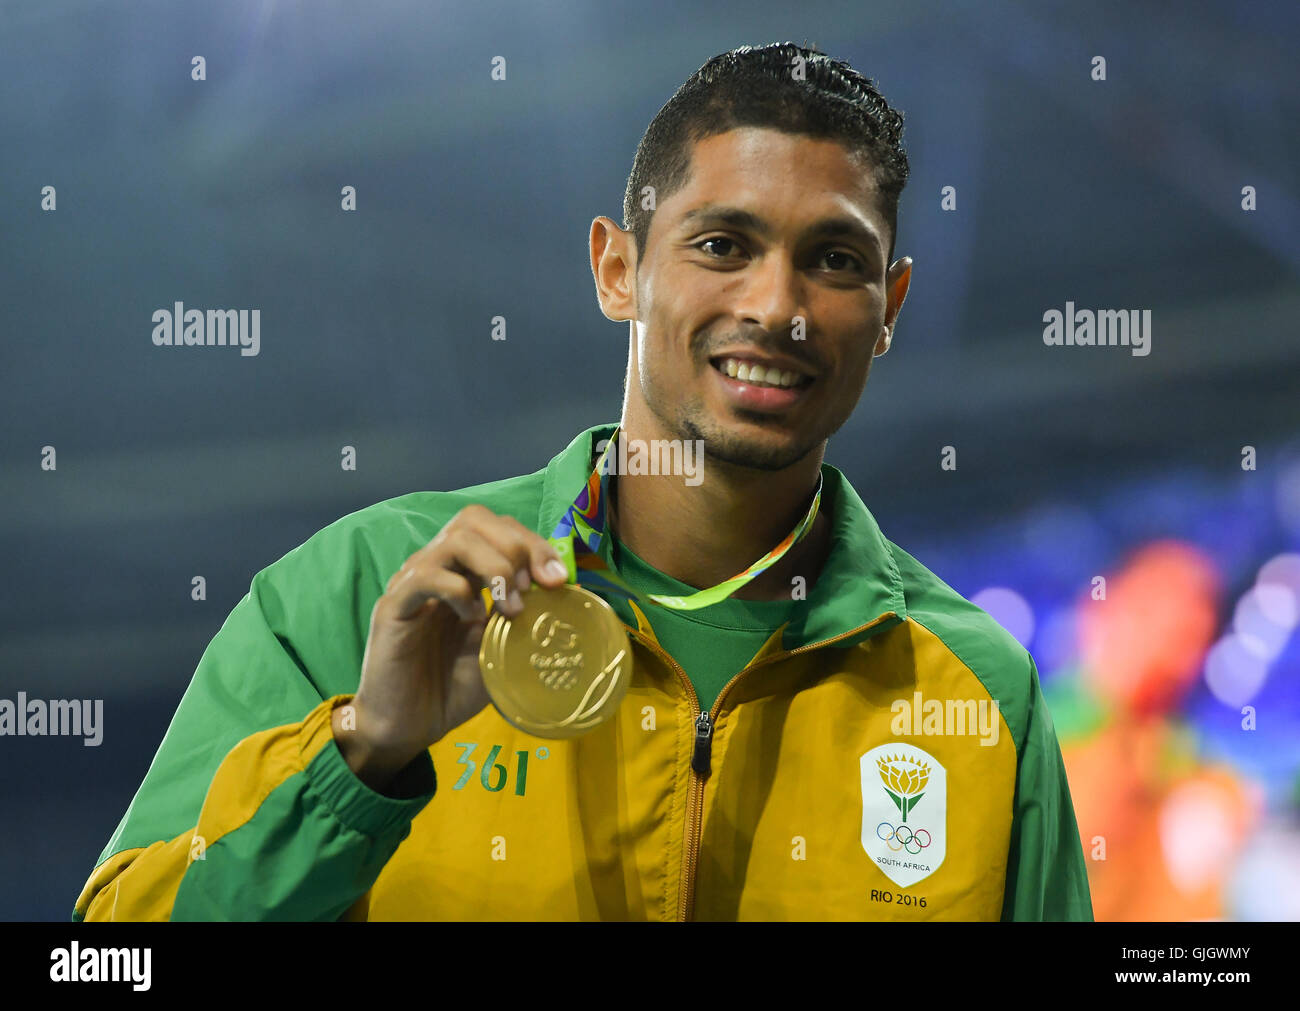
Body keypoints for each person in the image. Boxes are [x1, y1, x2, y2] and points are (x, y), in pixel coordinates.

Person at [74, 42, 1092, 922]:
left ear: (890, 307)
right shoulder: (360, 595)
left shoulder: (975, 693)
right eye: (722, 245)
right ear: (618, 271)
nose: (777, 305)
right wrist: (360, 758)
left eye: (833, 260)